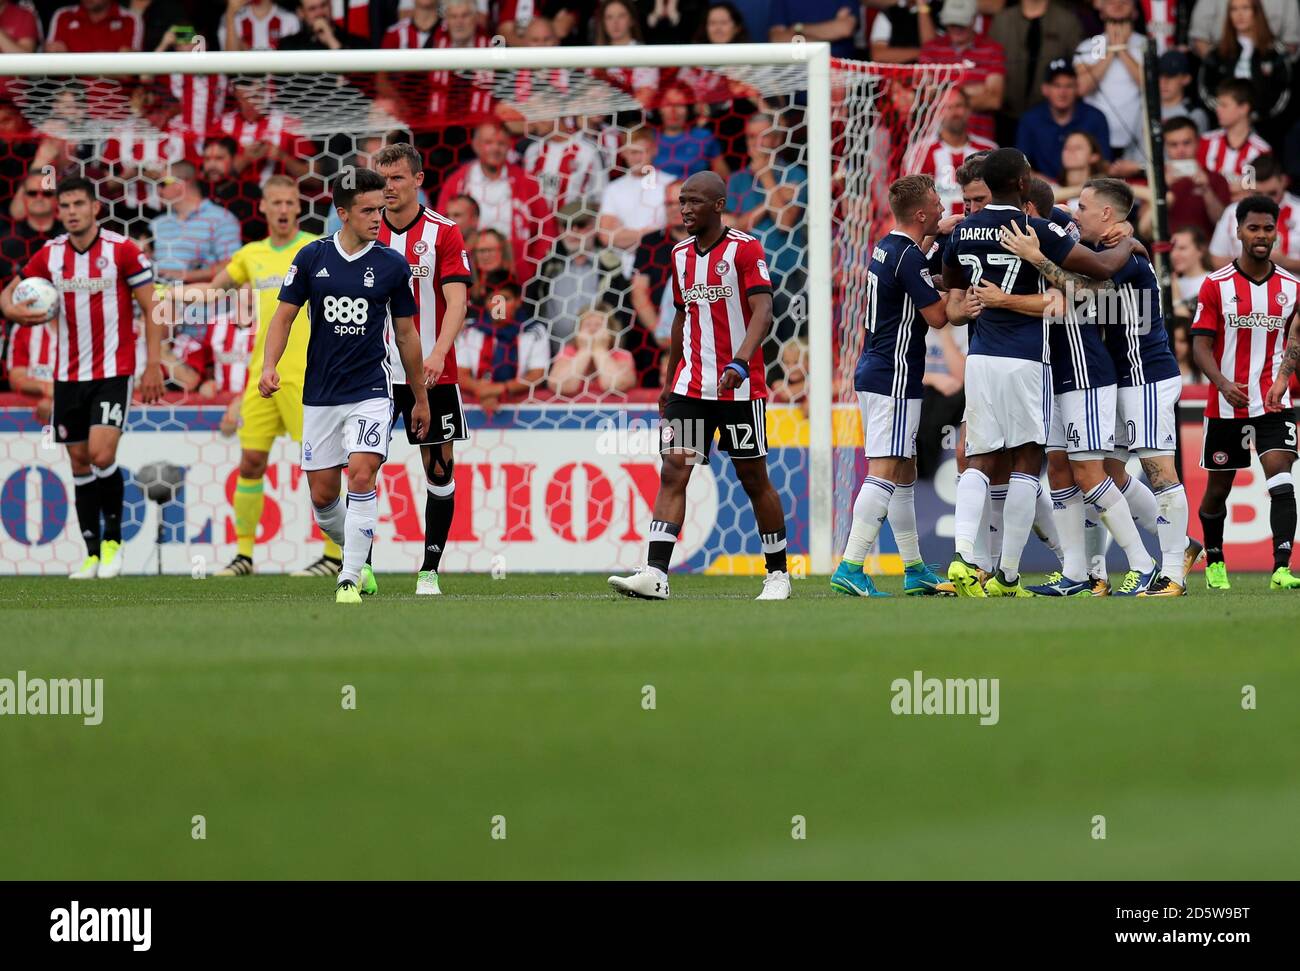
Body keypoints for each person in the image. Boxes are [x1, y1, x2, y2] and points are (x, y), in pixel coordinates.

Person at [941, 147, 1138, 597]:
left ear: (987, 187)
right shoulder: (1036, 229)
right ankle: (1007, 575)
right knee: (1028, 461)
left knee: (979, 458)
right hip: (1027, 359)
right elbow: (1100, 272)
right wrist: (1129, 239)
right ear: (1025, 183)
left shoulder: (962, 232)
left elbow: (951, 303)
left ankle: (964, 556)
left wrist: (967, 305)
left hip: (980, 358)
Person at [1001, 178, 1198, 595]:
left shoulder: (1122, 256)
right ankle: (1127, 566)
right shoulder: (1111, 245)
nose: (1076, 215)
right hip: (1121, 375)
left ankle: (1173, 574)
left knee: (1159, 471)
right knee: (1106, 471)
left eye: (1085, 208)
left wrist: (1037, 257)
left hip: (1147, 374)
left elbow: (1084, 290)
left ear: (1107, 215)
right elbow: (1046, 210)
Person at [608, 171, 791, 601]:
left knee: (752, 477)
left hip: (738, 390)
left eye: (693, 201)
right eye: (680, 202)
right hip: (691, 389)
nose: (685, 209)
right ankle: (655, 573)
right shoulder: (679, 254)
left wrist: (741, 363)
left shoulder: (745, 249)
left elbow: (763, 310)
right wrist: (671, 379)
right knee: (674, 471)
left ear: (718, 205)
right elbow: (680, 318)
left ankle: (778, 574)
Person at [258, 168, 428, 604]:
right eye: (368, 210)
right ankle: (361, 555)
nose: (378, 217)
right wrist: (268, 366)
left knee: (362, 473)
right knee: (323, 496)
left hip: (371, 390)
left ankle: (348, 578)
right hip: (320, 395)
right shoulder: (311, 257)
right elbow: (283, 317)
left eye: (382, 209)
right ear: (342, 213)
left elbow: (406, 335)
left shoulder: (392, 264)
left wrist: (420, 396)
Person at [178, 176, 345, 578]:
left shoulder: (318, 248)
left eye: (291, 202)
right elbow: (215, 291)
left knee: (322, 469)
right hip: (264, 374)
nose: (285, 209)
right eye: (277, 202)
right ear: (264, 208)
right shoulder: (251, 255)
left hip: (310, 377)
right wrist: (167, 294)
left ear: (299, 208)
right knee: (251, 461)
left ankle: (334, 555)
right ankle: (243, 555)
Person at [0, 176, 164, 579]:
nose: (71, 212)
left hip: (113, 371)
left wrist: (153, 364)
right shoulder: (49, 255)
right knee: (78, 462)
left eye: (78, 204)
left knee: (102, 454)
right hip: (67, 375)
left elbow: (152, 306)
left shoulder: (122, 251)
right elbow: (9, 294)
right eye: (65, 206)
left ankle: (113, 545)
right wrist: (13, 312)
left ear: (95, 208)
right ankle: (91, 554)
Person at [829, 174, 952, 598]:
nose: (942, 209)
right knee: (885, 469)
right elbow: (937, 317)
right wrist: (965, 299)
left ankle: (915, 568)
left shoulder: (887, 246)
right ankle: (850, 564)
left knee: (904, 469)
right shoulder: (907, 256)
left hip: (877, 370)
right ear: (920, 214)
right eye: (937, 204)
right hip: (894, 376)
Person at [374, 142, 473, 596]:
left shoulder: (444, 232)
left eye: (397, 178)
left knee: (438, 469)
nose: (388, 187)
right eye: (383, 178)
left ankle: (429, 570)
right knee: (361, 469)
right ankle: (361, 568)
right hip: (372, 372)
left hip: (433, 373)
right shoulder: (364, 231)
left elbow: (457, 299)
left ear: (417, 180)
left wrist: (437, 352)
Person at [1192, 193, 1300, 591]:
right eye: (1253, 227)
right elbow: (1200, 343)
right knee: (1219, 489)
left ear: (1277, 232)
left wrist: (1283, 378)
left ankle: (1281, 568)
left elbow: (1295, 340)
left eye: (1268, 228)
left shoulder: (1291, 286)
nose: (1260, 235)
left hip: (1274, 402)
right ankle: (1216, 559)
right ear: (1238, 231)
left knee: (1281, 478)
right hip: (1226, 404)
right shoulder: (1216, 285)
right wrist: (1222, 382)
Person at [989, 0, 1084, 144]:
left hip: (1050, 119)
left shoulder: (1067, 22)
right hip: (1004, 117)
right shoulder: (1002, 20)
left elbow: (1079, 71)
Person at [455, 274, 549, 416]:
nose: (499, 306)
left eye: (505, 299)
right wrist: (482, 390)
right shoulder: (470, 330)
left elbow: (537, 376)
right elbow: (460, 374)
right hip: (477, 403)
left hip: (521, 405)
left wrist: (499, 389)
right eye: (493, 299)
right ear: (485, 303)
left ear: (518, 301)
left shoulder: (534, 330)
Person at [918, 0, 1005, 144]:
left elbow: (994, 100)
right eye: (952, 23)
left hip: (980, 139)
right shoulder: (930, 48)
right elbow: (925, 97)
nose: (956, 29)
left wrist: (945, 95)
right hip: (936, 139)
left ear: (974, 20)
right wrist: (971, 91)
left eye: (961, 24)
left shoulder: (993, 49)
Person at [1196, 0, 1293, 128]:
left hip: (1267, 129)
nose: (1239, 14)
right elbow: (1205, 89)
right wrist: (1227, 113)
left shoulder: (1276, 52)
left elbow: (1284, 92)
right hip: (1223, 128)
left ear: (1256, 12)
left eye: (1245, 8)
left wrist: (1255, 117)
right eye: (1234, 9)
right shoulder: (1217, 52)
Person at [1073, 0, 1146, 165]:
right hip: (1097, 135)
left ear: (1135, 12)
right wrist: (1112, 49)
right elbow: (1081, 87)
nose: (1118, 5)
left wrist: (1123, 49)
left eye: (1125, 2)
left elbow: (1151, 86)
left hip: (1136, 136)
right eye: (1111, 1)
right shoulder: (1092, 45)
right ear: (1101, 11)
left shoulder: (1146, 44)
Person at [1015, 59, 1111, 182]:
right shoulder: (1030, 119)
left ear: (1077, 89)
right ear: (1045, 89)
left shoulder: (1095, 117)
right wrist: (1050, 188)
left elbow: (1105, 164)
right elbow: (1021, 167)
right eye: (1057, 85)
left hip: (1087, 188)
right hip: (1044, 191)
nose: (1062, 92)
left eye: (1069, 86)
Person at [1207, 154, 1300, 273]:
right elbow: (1215, 261)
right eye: (1258, 194)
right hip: (1241, 290)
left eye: (1272, 193)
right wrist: (1249, 259)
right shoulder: (1233, 212)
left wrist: (1284, 262)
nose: (1266, 200)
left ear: (1284, 181)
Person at [598, 127, 669, 277]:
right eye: (633, 152)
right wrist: (649, 233)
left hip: (663, 265)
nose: (638, 158)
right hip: (624, 269)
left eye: (643, 151)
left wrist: (625, 234)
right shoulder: (613, 189)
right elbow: (606, 237)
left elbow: (672, 234)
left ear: (654, 150)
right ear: (623, 152)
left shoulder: (670, 185)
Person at [919, 88, 999, 216]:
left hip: (979, 229)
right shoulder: (921, 151)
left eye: (958, 106)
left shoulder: (988, 150)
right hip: (938, 231)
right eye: (947, 107)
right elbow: (915, 198)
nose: (954, 112)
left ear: (968, 110)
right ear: (936, 113)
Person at [1163, 116, 1231, 240]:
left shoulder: (1216, 179)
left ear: (1198, 143)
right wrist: (1163, 189)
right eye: (1173, 145)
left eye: (1186, 143)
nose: (1181, 150)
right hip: (1168, 252)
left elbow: (1223, 223)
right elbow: (1145, 229)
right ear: (1166, 147)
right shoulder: (1158, 179)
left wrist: (1206, 190)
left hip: (1205, 254)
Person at [1198, 79, 1271, 194]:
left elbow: (1250, 190)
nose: (1217, 110)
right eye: (1218, 105)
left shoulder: (1260, 151)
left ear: (1244, 108)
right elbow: (1196, 182)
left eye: (1224, 105)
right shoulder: (1205, 141)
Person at [546, 303, 637, 395]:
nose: (592, 329)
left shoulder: (621, 355)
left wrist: (599, 350)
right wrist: (584, 351)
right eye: (587, 325)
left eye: (598, 325)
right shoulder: (568, 352)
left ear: (610, 331)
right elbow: (562, 386)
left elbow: (615, 386)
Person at [768, 0, 858, 58]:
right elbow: (777, 38)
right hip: (796, 74)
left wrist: (798, 28)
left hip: (837, 73)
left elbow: (844, 29)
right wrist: (828, 35)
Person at [1156, 50, 1209, 133]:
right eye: (1159, 76)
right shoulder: (1144, 110)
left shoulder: (1194, 114)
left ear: (1186, 79)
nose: (1163, 82)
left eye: (1170, 76)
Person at [219, 0, 302, 51]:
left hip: (279, 79)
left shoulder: (290, 20)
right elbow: (231, 61)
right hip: (242, 79)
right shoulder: (232, 17)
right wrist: (230, 13)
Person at [1170, 226, 1212, 320]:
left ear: (1200, 250)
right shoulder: (1169, 283)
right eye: (1172, 249)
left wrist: (1176, 297)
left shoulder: (1214, 282)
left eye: (1182, 248)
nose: (1174, 254)